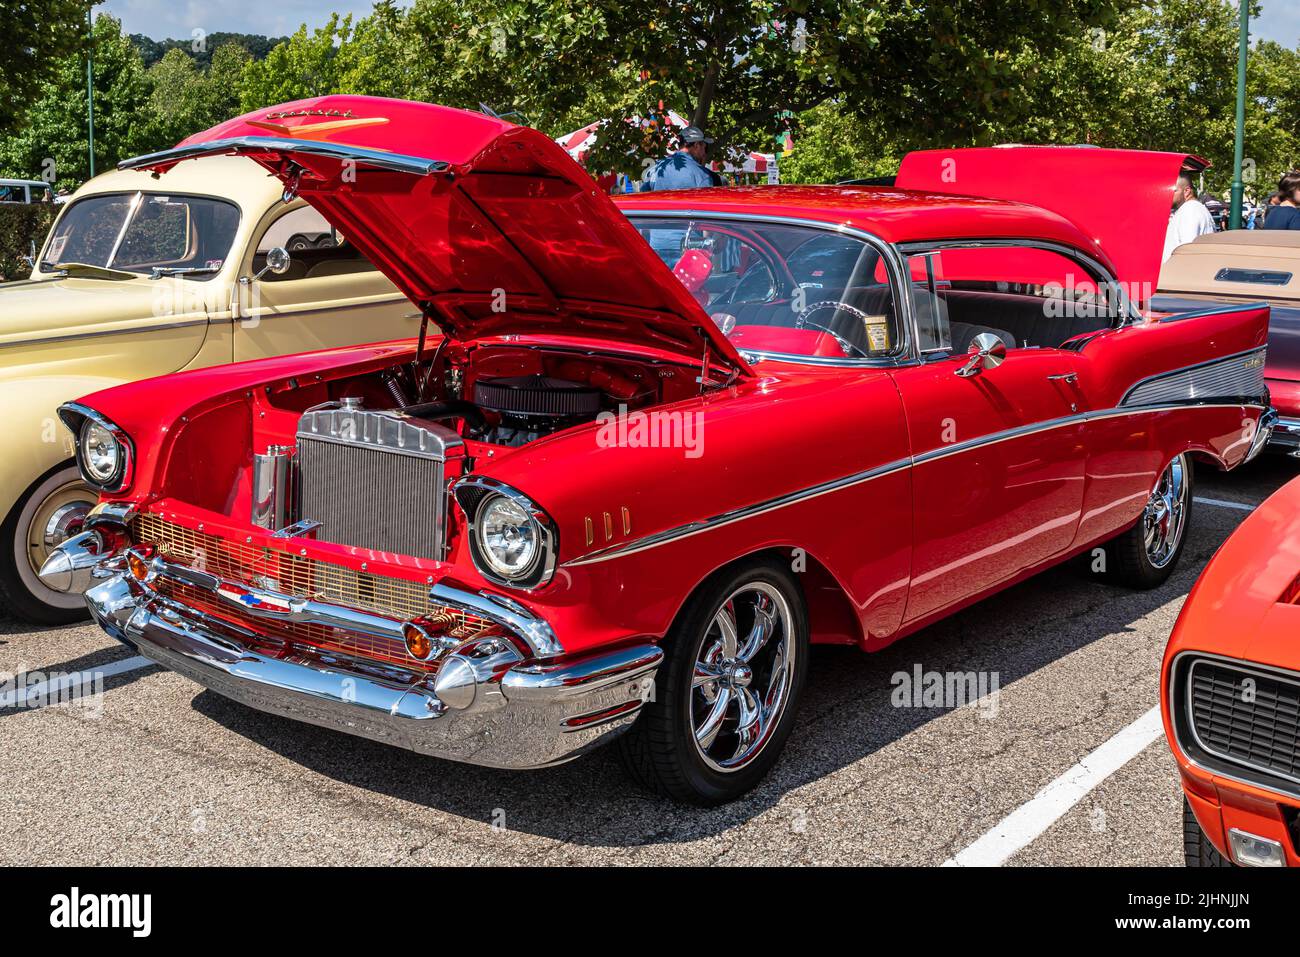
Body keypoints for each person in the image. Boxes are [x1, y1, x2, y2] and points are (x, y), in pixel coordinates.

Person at [1162, 175, 1216, 262]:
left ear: (1186, 191)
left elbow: (1187, 250)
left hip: (1179, 272)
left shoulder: (1190, 210)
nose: (1167, 194)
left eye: (1171, 190)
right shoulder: (1192, 208)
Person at [647, 126, 715, 191]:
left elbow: (643, 195)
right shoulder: (701, 174)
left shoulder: (656, 167)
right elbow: (706, 201)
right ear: (696, 145)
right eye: (704, 147)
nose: (704, 153)